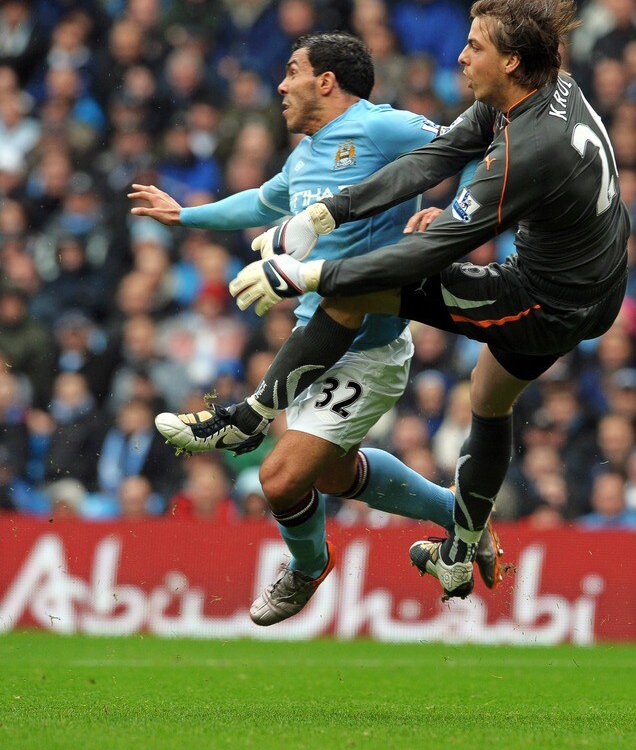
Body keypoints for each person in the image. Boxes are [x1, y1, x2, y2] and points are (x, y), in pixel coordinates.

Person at [164, 0, 629, 601]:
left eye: (474, 47)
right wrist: (327, 214)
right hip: (598, 286)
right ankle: (460, 549)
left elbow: (429, 250)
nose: (460, 57)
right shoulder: (538, 92)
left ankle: (248, 419)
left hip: (543, 300)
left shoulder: (529, 147)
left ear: (510, 61)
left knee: (366, 287)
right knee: (488, 394)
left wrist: (302, 273)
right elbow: (435, 157)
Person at [129, 32, 501, 626]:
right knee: (332, 473)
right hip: (313, 342)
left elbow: (469, 147)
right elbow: (261, 203)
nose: (281, 84)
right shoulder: (303, 157)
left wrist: (450, 215)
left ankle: (307, 566)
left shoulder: (379, 128)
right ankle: (463, 517)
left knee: (277, 479)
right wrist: (186, 215)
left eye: (292, 71)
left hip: (368, 347)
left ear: (325, 81)